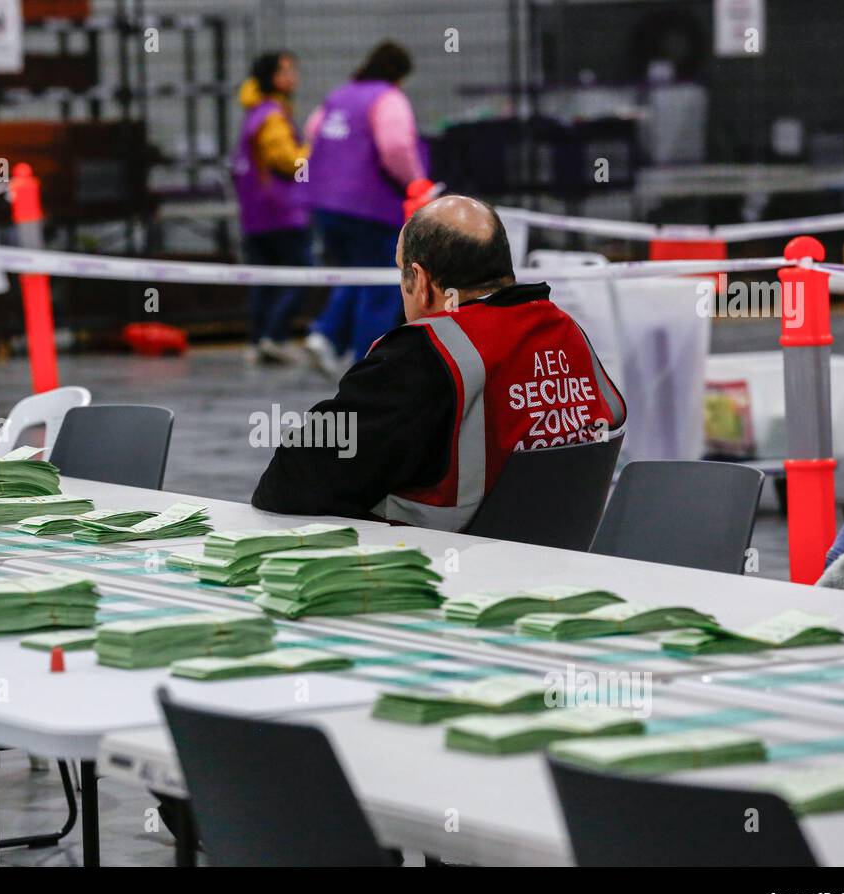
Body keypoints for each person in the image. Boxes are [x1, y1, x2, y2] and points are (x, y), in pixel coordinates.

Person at [252, 195, 627, 531]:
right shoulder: (567, 332)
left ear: (420, 280)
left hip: (439, 570)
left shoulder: (423, 355)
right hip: (562, 560)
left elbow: (287, 485)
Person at [302, 41, 424, 377]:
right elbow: (396, 147)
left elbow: (312, 134)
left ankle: (325, 335)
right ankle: (369, 366)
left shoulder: (338, 95)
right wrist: (417, 181)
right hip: (370, 206)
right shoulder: (388, 98)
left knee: (353, 272)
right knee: (381, 284)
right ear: (400, 74)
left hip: (327, 204)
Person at [232, 51, 312, 365]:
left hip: (255, 215)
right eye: (287, 71)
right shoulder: (272, 117)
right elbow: (290, 162)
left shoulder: (255, 113)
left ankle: (258, 340)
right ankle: (275, 337)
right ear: (272, 77)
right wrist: (314, 152)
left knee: (263, 279)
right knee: (303, 273)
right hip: (281, 213)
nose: (294, 77)